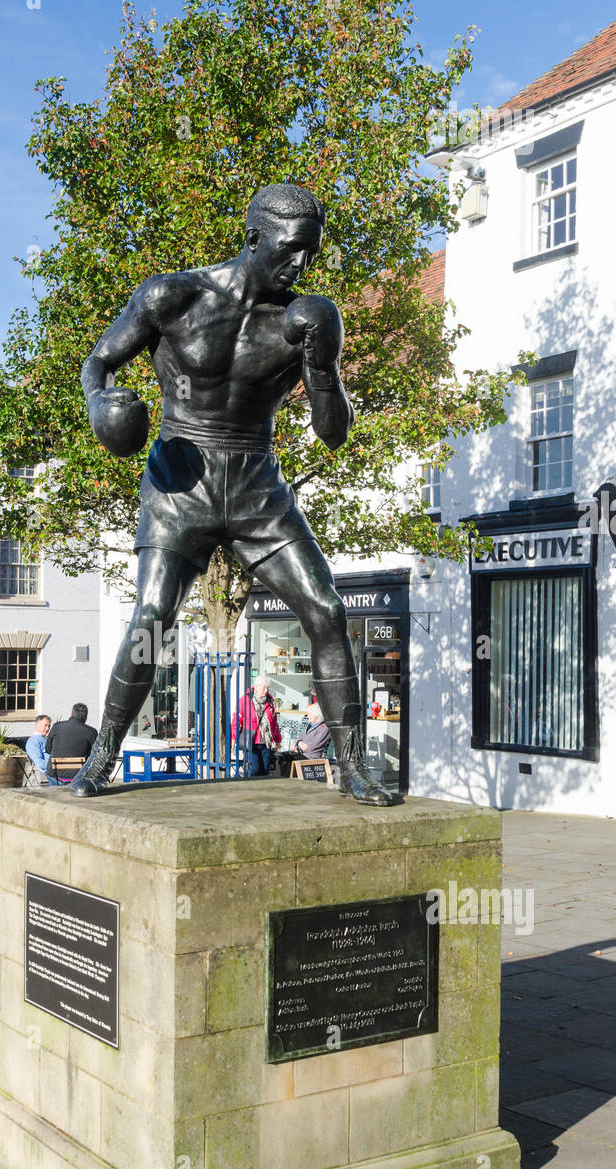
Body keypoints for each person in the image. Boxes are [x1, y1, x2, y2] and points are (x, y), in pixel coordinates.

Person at [68, 182, 396, 805]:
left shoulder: (303, 319)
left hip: (255, 482)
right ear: (254, 237)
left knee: (326, 610)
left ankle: (352, 766)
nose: (300, 266)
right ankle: (103, 753)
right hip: (179, 474)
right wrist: (102, 407)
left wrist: (322, 367)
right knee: (151, 619)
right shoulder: (173, 295)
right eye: (290, 250)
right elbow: (99, 363)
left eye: (310, 254)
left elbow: (333, 434)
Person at [232, 677, 281, 777]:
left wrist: (277, 739)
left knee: (265, 770)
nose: (266, 690)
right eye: (264, 688)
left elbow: (274, 722)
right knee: (254, 770)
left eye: (268, 688)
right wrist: (233, 737)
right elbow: (237, 719)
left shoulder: (270, 702)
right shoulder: (245, 700)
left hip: (266, 742)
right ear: (256, 687)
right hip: (251, 741)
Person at [46, 703, 98, 782]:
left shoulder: (56, 727)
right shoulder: (91, 732)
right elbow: (95, 755)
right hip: (78, 776)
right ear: (86, 717)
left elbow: (47, 750)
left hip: (55, 775)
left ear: (71, 714)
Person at [278, 701, 331, 778]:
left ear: (316, 715)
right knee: (283, 756)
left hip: (311, 756)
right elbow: (299, 738)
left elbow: (313, 745)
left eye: (309, 714)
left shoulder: (324, 728)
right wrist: (300, 743)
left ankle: (291, 779)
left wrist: (298, 749)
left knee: (288, 759)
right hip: (301, 752)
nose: (308, 716)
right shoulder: (310, 725)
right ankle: (285, 778)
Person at [25, 714, 52, 778]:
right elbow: (40, 763)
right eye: (45, 725)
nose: (48, 728)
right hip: (51, 773)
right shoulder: (33, 741)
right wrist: (56, 765)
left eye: (49, 726)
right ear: (37, 725)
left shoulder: (45, 739)